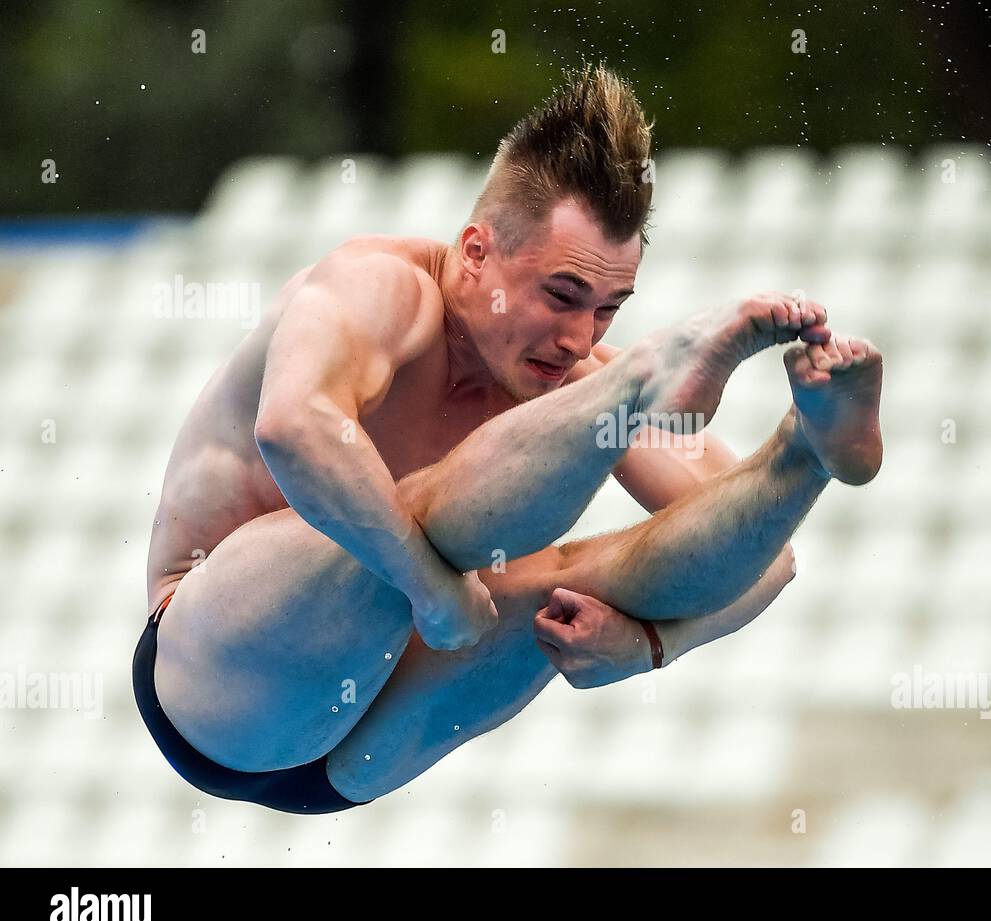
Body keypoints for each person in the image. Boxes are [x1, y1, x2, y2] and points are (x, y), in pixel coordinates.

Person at [133, 63, 884, 814]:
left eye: (608, 310)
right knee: (415, 510)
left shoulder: (568, 376)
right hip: (218, 686)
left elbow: (770, 562)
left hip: (357, 753)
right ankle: (651, 378)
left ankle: (804, 454)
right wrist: (431, 589)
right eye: (561, 295)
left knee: (561, 583)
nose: (577, 336)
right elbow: (292, 430)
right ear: (475, 251)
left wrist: (651, 646)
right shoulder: (380, 291)